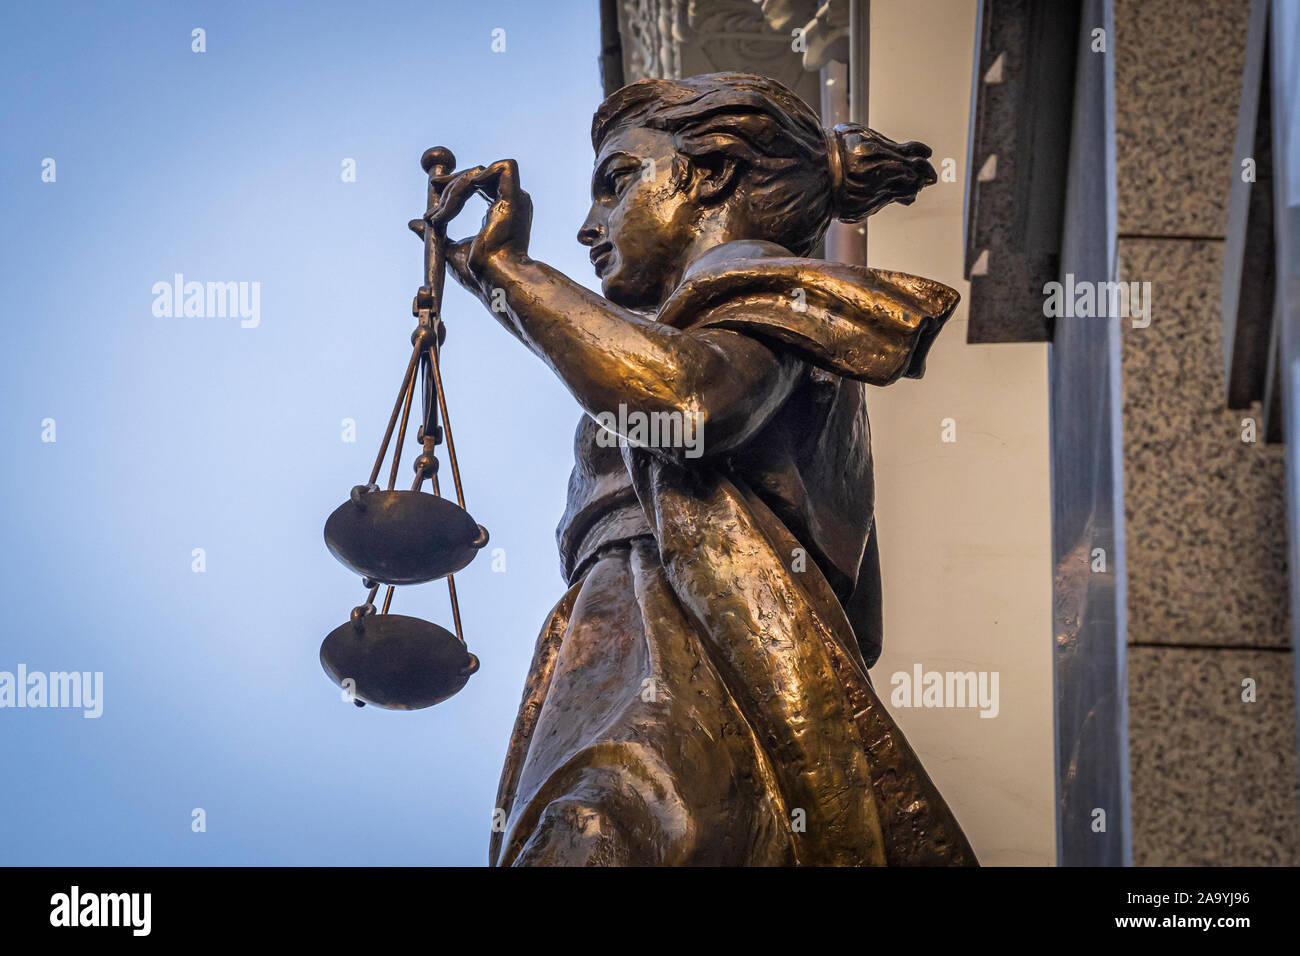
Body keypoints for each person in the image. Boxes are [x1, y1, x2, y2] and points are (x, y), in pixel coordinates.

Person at [431, 72, 975, 866]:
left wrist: (518, 277)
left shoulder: (770, 285)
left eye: (617, 182)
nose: (588, 228)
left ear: (711, 173)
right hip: (631, 631)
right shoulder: (720, 309)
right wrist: (497, 284)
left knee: (598, 833)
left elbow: (686, 401)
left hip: (677, 645)